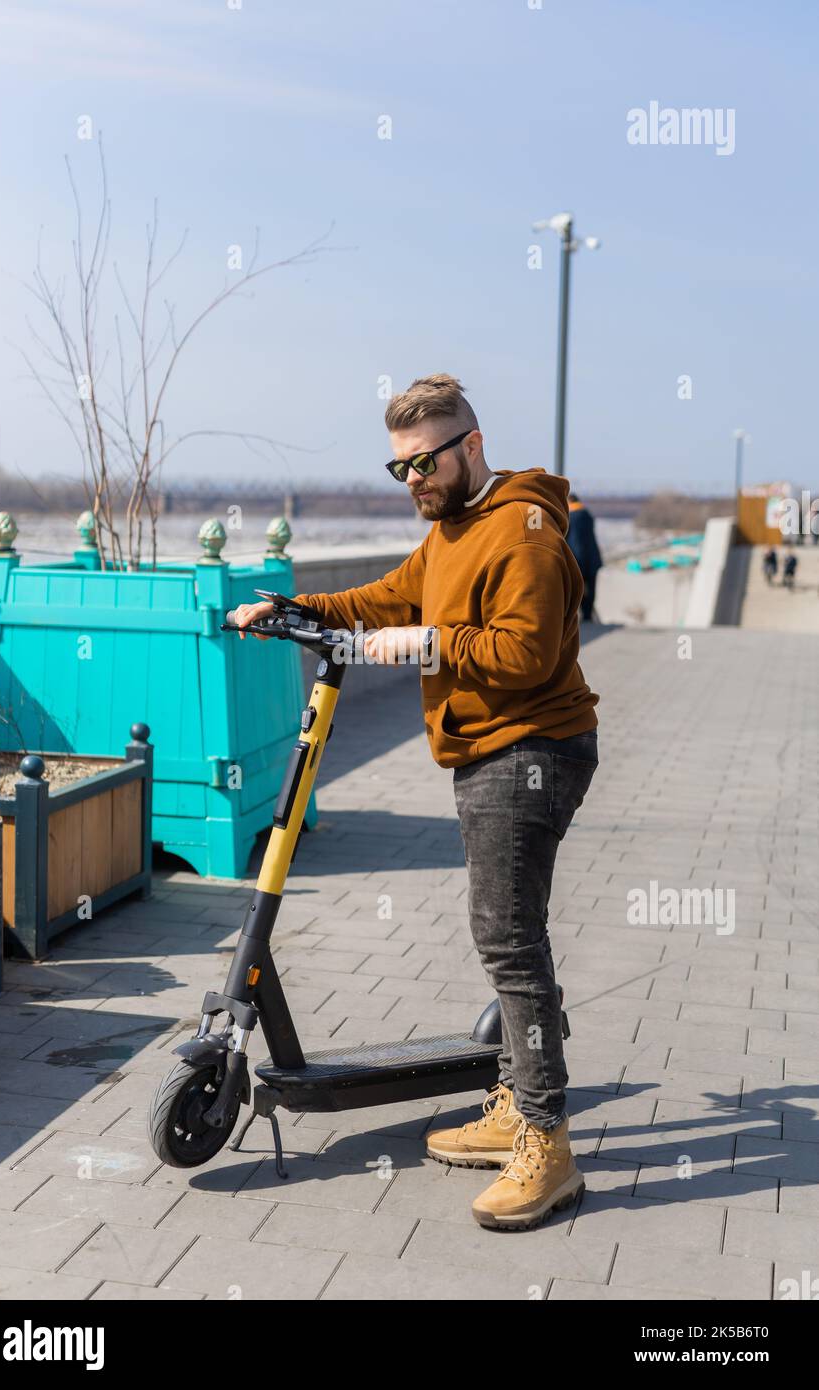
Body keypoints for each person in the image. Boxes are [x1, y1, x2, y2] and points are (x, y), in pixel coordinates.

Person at [229, 374, 600, 1232]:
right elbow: (390, 596)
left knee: (510, 942)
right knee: (506, 936)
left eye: (424, 464)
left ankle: (547, 1140)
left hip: (531, 751)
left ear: (470, 445)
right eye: (399, 470)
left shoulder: (528, 531)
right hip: (489, 750)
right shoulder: (453, 529)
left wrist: (429, 643)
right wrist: (295, 608)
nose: (413, 484)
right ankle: (515, 1104)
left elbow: (529, 654)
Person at [565, 492, 603, 621]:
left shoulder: (571, 517)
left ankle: (582, 615)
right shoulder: (587, 515)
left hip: (578, 559)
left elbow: (574, 541)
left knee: (578, 589)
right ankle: (587, 615)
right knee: (591, 588)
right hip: (593, 558)